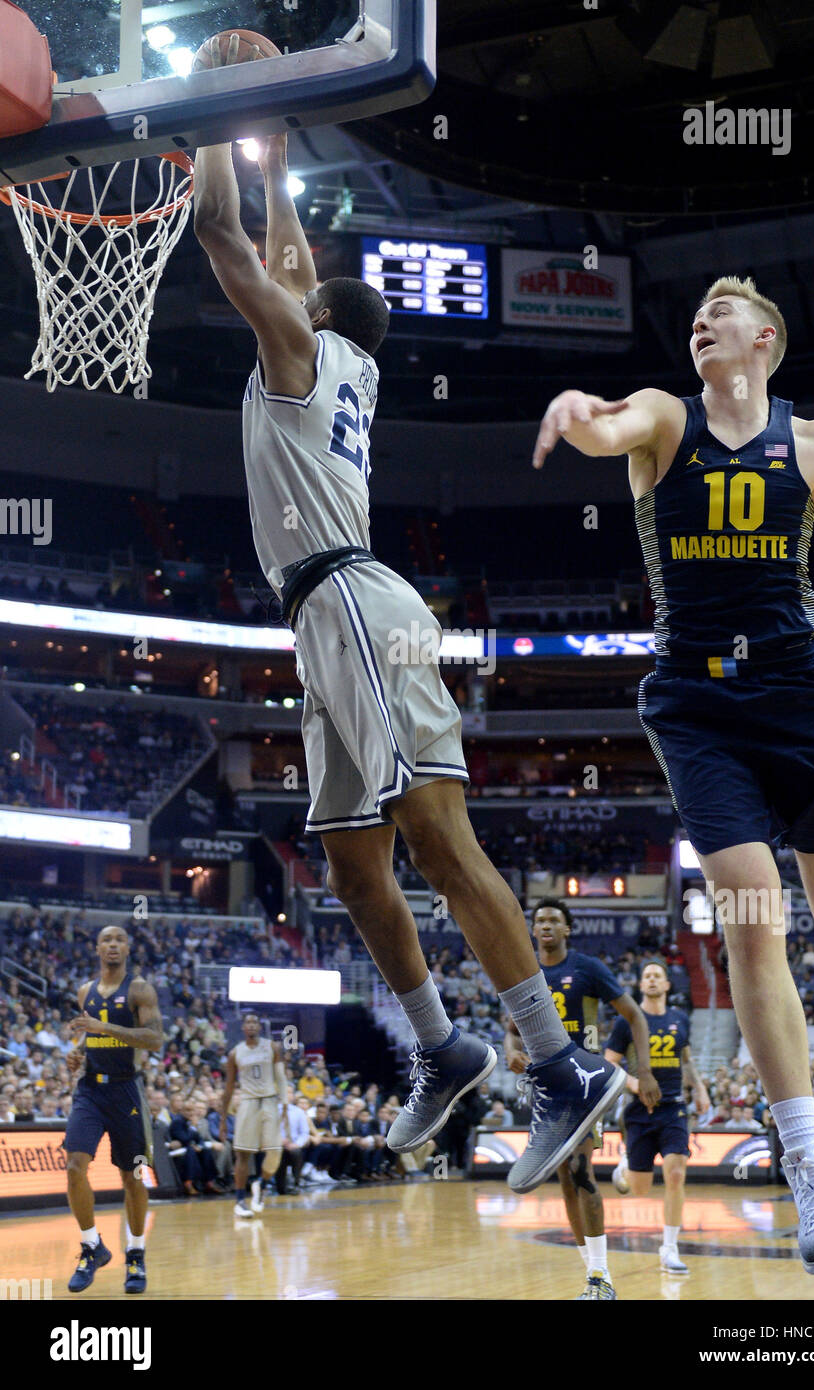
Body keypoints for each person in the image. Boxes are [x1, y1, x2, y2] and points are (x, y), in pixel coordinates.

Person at [192, 38, 626, 1197]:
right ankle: (446, 1046)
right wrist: (272, 143)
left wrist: (205, 116)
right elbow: (283, 246)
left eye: (300, 282)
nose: (290, 276)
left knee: (436, 839)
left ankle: (559, 1065)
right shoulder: (336, 359)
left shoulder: (295, 348)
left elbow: (230, 242)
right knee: (350, 862)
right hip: (323, 614)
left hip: (354, 601)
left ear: (310, 312)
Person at [534, 273, 814, 1274]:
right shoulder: (660, 418)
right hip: (695, 703)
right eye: (695, 315)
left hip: (797, 694)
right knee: (748, 914)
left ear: (763, 336)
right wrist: (579, 414)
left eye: (721, 311)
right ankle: (806, 1154)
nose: (702, 319)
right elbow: (610, 425)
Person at [505, 899, 660, 1300]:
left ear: (568, 929)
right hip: (546, 1088)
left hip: (585, 1082)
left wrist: (642, 1070)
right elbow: (511, 1029)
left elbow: (634, 1016)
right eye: (539, 920)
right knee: (564, 1178)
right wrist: (510, 1050)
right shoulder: (525, 970)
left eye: (554, 920)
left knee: (578, 1168)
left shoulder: (587, 968)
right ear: (533, 929)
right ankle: (592, 1274)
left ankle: (600, 1277)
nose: (546, 925)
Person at [63, 925, 162, 1294]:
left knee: (132, 1176)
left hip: (126, 1090)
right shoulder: (85, 991)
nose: (113, 945)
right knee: (74, 1165)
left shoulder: (139, 990)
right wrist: (77, 1055)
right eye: (106, 940)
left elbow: (154, 1039)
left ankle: (135, 1254)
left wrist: (102, 1026)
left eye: (119, 939)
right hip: (90, 1089)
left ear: (127, 947)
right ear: (97, 948)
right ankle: (92, 1246)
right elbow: (88, 1037)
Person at [605, 960, 709, 1274]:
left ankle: (670, 1248)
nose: (651, 979)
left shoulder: (680, 1019)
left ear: (666, 985)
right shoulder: (627, 1021)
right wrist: (634, 1084)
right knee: (639, 1189)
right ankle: (625, 1169)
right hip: (639, 1111)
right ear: (640, 985)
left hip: (674, 1107)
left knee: (676, 1174)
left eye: (657, 976)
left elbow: (687, 1061)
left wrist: (701, 1089)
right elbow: (609, 1064)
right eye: (646, 975)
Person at [219, 1012, 288, 1216]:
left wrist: (284, 1104)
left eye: (254, 1022)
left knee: (275, 1152)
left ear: (259, 1026)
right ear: (243, 1028)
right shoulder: (235, 1053)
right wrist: (223, 1118)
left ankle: (262, 1185)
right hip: (247, 1102)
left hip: (269, 1099)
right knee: (243, 1153)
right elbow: (229, 1087)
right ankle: (240, 1200)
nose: (251, 1025)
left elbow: (282, 1078)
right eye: (247, 1022)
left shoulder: (272, 1047)